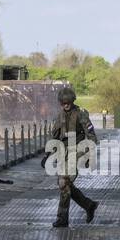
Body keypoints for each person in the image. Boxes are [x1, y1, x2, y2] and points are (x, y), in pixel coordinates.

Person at [46, 86, 99, 228]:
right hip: (64, 152)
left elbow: (92, 136)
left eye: (68, 102)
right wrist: (47, 155)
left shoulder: (81, 114)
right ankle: (89, 205)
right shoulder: (59, 117)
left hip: (78, 150)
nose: (66, 104)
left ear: (72, 101)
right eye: (63, 102)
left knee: (64, 182)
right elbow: (54, 136)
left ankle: (62, 218)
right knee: (64, 185)